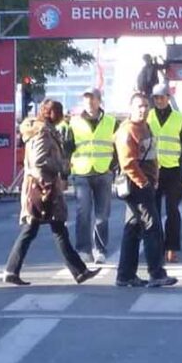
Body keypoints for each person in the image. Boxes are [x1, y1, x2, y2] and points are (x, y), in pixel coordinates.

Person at [3, 100, 99, 286]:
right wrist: (62, 165)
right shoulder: (43, 132)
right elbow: (39, 159)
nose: (62, 116)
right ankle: (11, 270)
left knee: (51, 229)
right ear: (51, 113)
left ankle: (79, 271)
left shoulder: (44, 131)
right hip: (42, 187)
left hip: (43, 186)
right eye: (59, 112)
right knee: (44, 229)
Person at [113, 92, 177, 288]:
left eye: (145, 107)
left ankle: (125, 275)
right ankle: (156, 273)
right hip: (137, 185)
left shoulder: (145, 127)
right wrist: (145, 184)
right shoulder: (127, 130)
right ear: (131, 108)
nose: (143, 110)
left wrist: (154, 179)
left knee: (133, 229)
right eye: (139, 106)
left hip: (145, 183)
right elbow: (128, 163)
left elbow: (152, 155)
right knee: (152, 229)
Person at [66, 88, 118, 263]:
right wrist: (65, 172)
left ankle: (100, 249)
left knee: (102, 214)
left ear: (99, 101)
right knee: (83, 212)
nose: (89, 102)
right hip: (81, 172)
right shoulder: (73, 122)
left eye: (92, 98)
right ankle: (83, 250)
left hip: (103, 172)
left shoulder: (111, 122)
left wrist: (114, 166)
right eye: (86, 99)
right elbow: (67, 147)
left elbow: (119, 146)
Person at [148, 83, 182, 264]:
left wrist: (180, 165)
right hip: (152, 171)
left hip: (172, 171)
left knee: (173, 211)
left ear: (168, 98)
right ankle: (156, 247)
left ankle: (172, 248)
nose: (159, 101)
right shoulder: (147, 117)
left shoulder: (178, 118)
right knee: (154, 211)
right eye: (156, 98)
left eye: (162, 97)